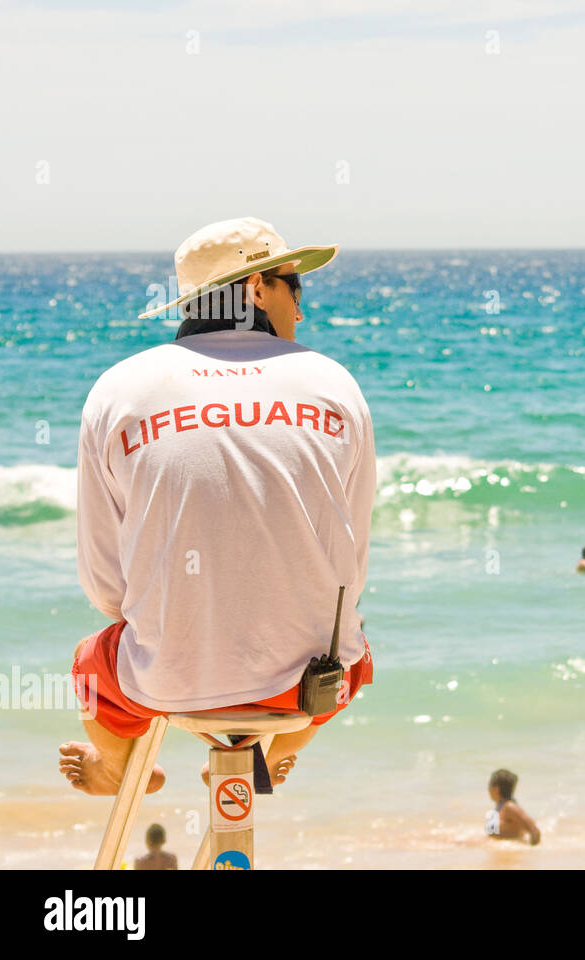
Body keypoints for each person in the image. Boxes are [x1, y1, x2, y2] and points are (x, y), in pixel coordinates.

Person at [60, 217, 375, 798]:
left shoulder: (119, 388)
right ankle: (267, 756)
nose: (301, 312)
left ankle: (113, 766)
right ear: (256, 289)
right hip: (306, 689)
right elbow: (348, 568)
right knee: (354, 657)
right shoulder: (334, 383)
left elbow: (105, 589)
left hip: (162, 685)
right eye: (294, 288)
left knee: (90, 664)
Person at [484, 769, 540, 845]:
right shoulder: (501, 807)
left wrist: (531, 853)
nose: (488, 790)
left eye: (489, 786)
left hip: (508, 854)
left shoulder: (509, 807)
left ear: (495, 789)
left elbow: (534, 830)